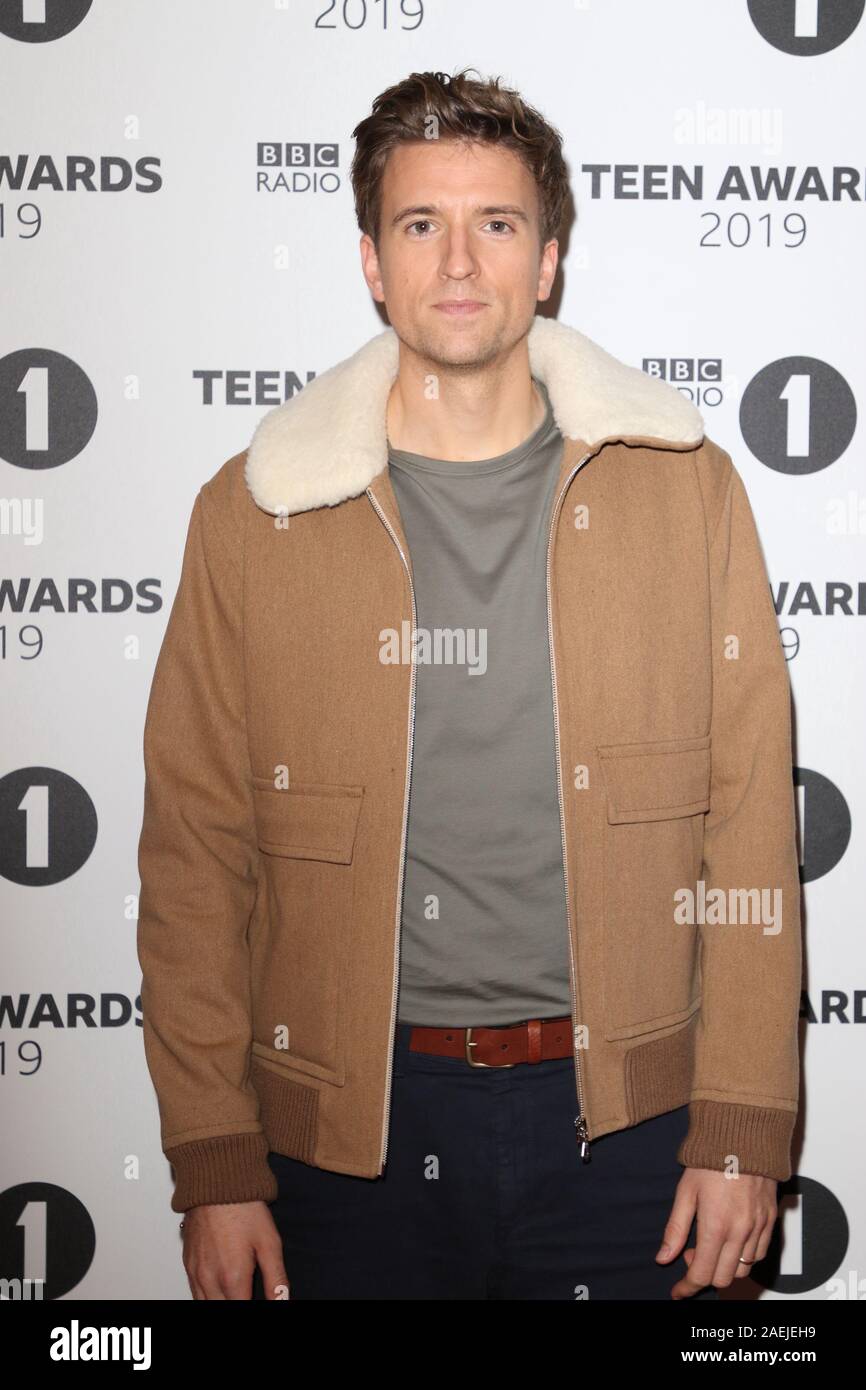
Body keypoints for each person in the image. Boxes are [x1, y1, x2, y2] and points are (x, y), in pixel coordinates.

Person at [137, 68, 801, 1301]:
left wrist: (740, 1124)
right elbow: (193, 858)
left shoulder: (679, 487)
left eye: (494, 224)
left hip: (636, 1126)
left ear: (545, 260)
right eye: (418, 224)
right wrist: (216, 1162)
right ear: (370, 263)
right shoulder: (252, 515)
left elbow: (747, 823)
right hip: (344, 1140)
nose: (457, 260)